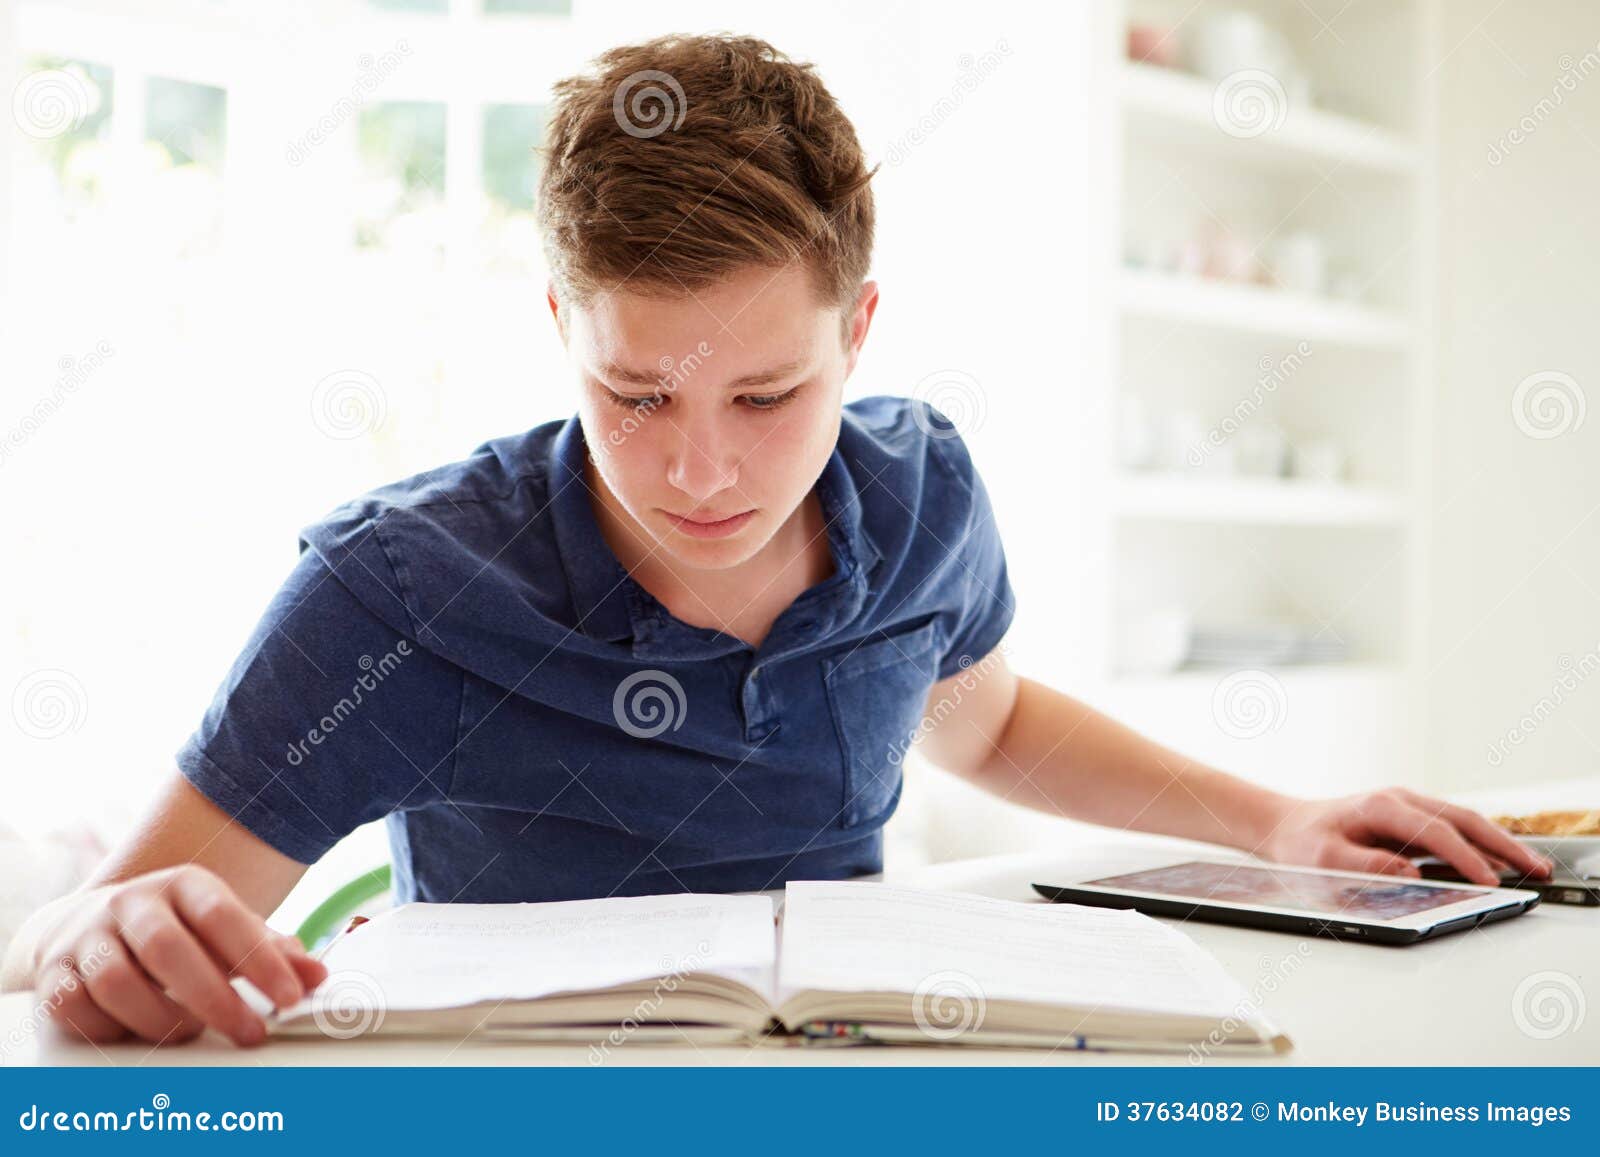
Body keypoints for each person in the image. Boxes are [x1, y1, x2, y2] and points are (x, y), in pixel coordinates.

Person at [1, 33, 1550, 1048]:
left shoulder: (923, 497)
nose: (700, 469)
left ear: (858, 331)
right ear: (560, 326)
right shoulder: (391, 591)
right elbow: (71, 941)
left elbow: (990, 719)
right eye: (633, 392)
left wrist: (1280, 822)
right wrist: (97, 932)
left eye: (766, 393)